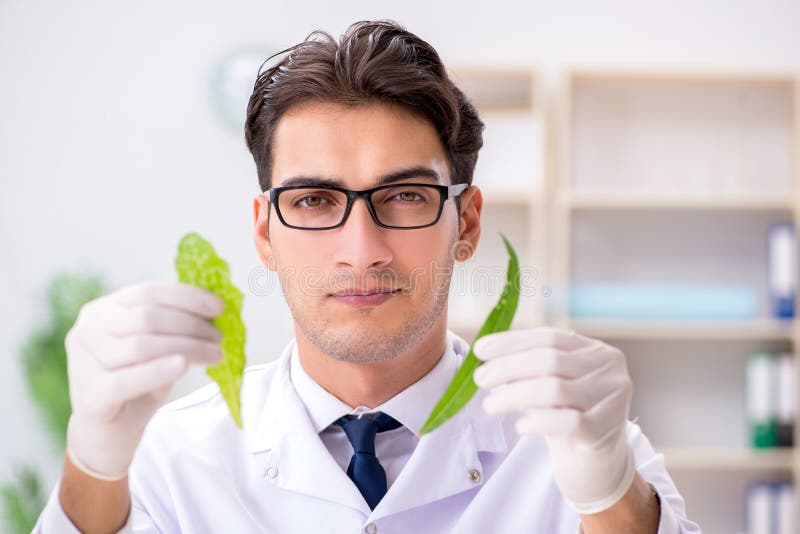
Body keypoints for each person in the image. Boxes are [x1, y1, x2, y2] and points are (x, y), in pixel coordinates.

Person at [34, 19, 701, 534]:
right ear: (265, 232)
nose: (363, 251)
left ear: (465, 223)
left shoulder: (581, 449)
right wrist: (92, 463)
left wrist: (609, 492)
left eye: (405, 196)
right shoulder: (172, 457)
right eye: (315, 201)